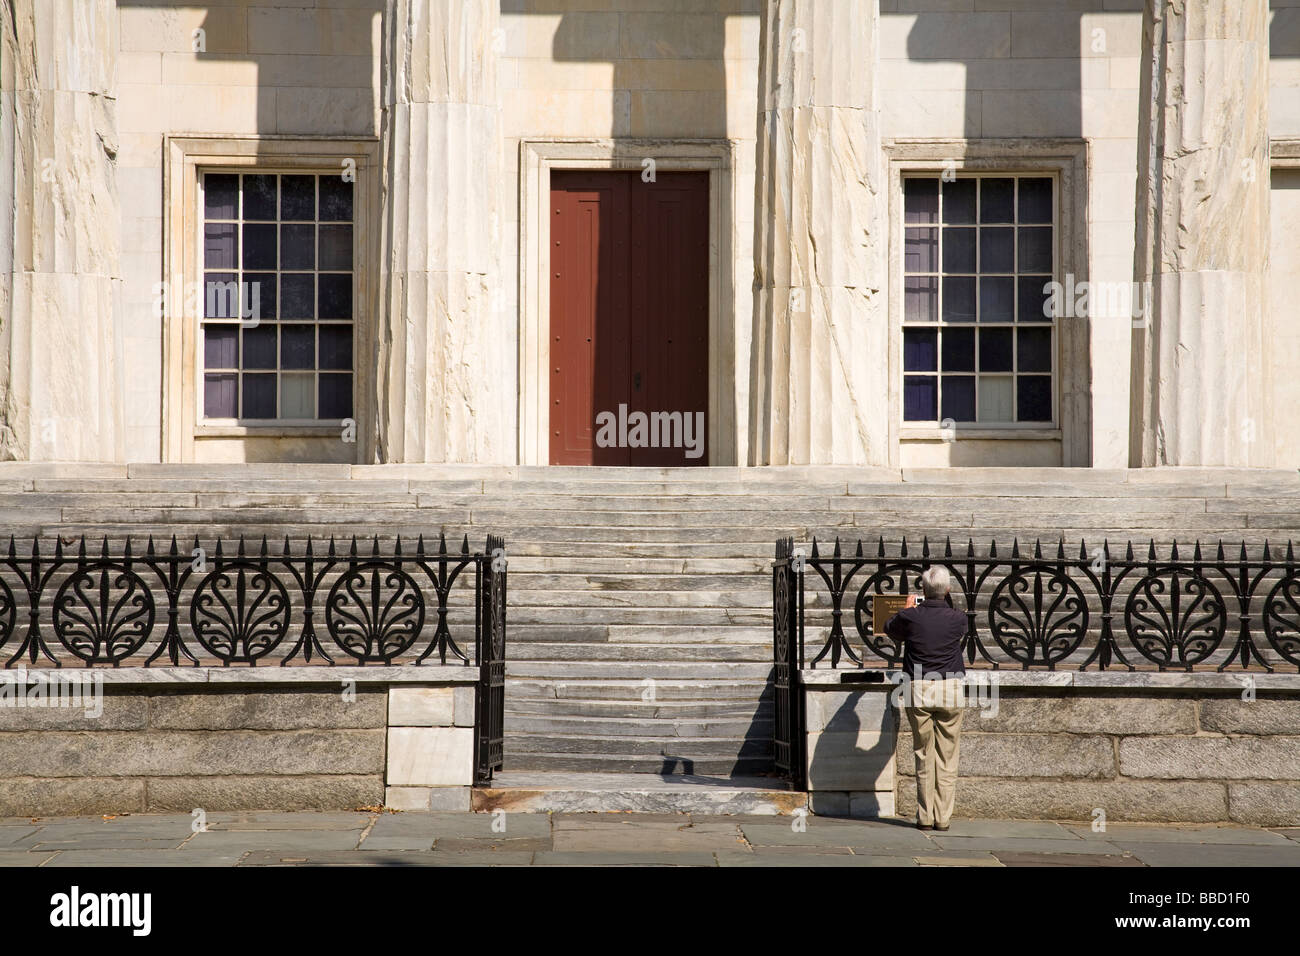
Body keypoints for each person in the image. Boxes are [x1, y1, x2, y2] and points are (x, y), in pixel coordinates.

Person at [884, 566, 967, 831]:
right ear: (948, 590)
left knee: (923, 753)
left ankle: (925, 816)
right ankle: (943, 817)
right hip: (950, 686)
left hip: (919, 687)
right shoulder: (959, 618)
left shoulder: (910, 617)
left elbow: (889, 628)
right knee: (947, 756)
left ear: (922, 590)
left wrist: (906, 608)